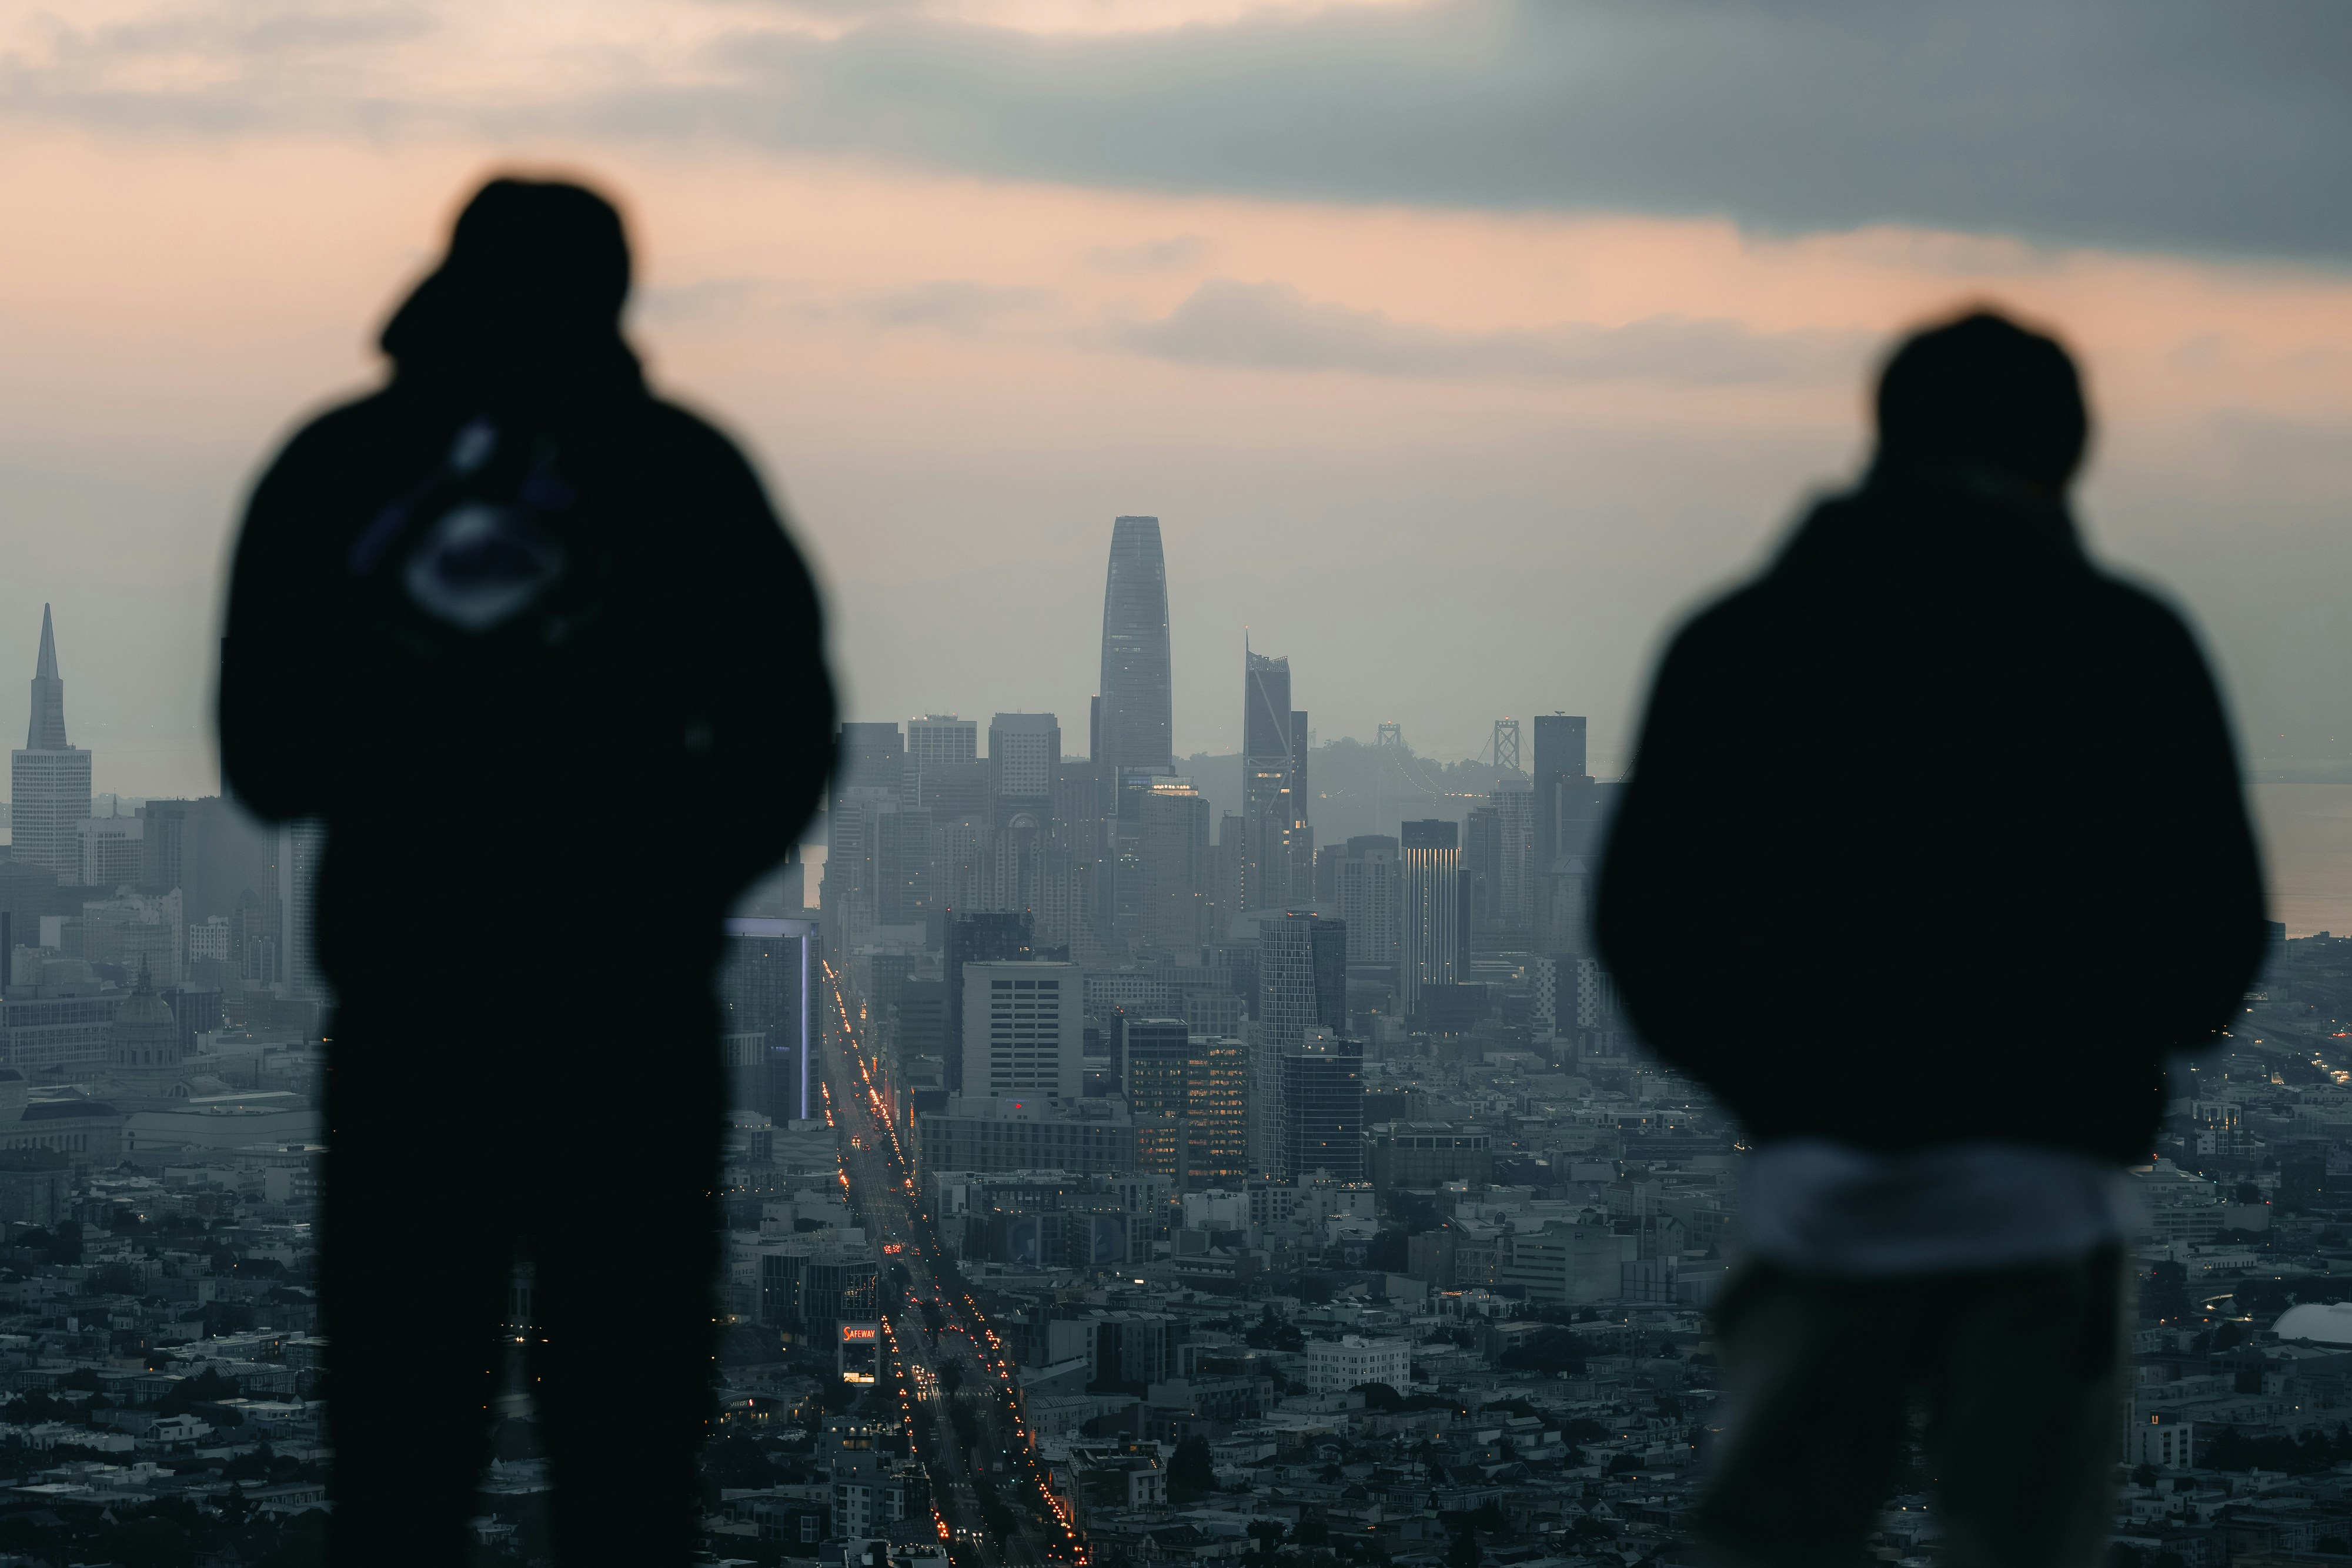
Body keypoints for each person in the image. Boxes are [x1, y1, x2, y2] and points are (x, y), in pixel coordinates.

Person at [219, 177, 834, 1566]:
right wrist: (664, 879)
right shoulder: (682, 471)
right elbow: (787, 730)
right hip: (630, 1030)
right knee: (627, 1454)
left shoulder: (338, 467)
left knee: (398, 1451)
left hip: (408, 1026)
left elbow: (263, 759)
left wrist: (418, 763)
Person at [1593, 309, 2266, 1568]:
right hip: (2040, 1202)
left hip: (1816, 1200)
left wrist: (1776, 1086)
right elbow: (2217, 931)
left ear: (1880, 434)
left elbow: (1643, 925)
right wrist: (2093, 1071)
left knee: (1770, 1537)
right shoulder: (2125, 641)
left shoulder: (1738, 638)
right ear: (2067, 454)